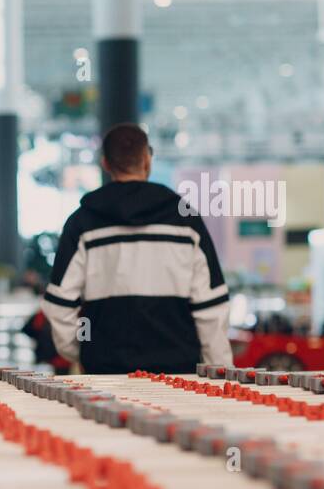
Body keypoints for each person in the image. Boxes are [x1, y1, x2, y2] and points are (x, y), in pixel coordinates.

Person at [40, 123, 232, 374]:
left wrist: (85, 350)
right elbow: (210, 308)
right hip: (178, 376)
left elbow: (60, 306)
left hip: (105, 375)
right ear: (147, 160)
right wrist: (219, 371)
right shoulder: (185, 220)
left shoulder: (82, 223)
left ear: (105, 164)